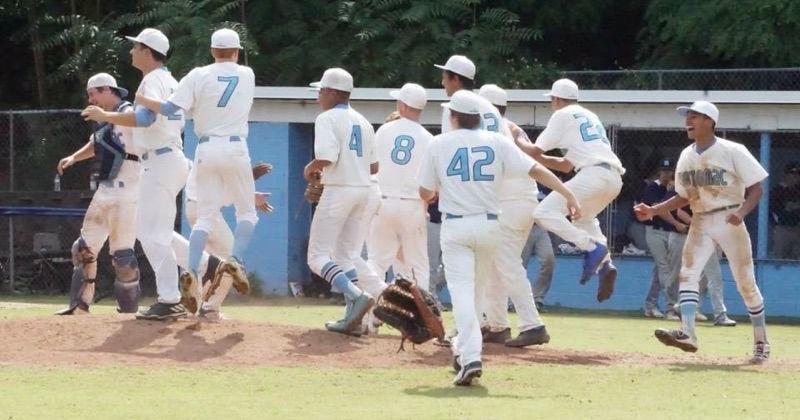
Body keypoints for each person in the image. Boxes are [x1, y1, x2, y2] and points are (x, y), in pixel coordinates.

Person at [418, 90, 580, 386]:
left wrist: (435, 194)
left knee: (463, 295)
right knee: (477, 294)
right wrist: (568, 193)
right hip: (491, 225)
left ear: (453, 117)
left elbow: (425, 191)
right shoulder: (497, 141)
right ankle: (465, 352)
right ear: (480, 117)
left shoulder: (439, 143)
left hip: (456, 227)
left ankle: (470, 356)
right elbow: (536, 169)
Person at [634, 100, 770, 363]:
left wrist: (741, 213)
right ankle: (687, 333)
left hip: (729, 217)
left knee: (746, 284)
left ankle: (761, 341)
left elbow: (756, 189)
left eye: (694, 116)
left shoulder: (733, 150)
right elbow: (683, 196)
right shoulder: (687, 155)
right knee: (688, 274)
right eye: (688, 117)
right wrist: (653, 210)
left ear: (710, 121)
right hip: (701, 220)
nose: (688, 121)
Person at [135, 28, 257, 315]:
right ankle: (234, 260)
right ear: (237, 52)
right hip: (236, 146)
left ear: (212, 51)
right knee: (247, 213)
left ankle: (191, 269)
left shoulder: (198, 74)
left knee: (204, 217)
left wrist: (143, 100)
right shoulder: (248, 74)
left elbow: (168, 108)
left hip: (205, 148)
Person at [82, 28, 190, 320]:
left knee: (149, 234)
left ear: (147, 50)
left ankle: (170, 299)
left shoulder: (152, 80)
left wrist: (106, 116)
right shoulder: (170, 80)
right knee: (158, 233)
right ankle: (207, 266)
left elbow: (144, 118)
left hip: (159, 160)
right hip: (170, 158)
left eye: (135, 47)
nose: (131, 52)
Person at [514, 79, 625, 302]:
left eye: (552, 100)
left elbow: (534, 149)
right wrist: (540, 158)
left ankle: (592, 248)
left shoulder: (562, 114)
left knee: (543, 213)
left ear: (556, 99)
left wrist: (517, 139)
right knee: (582, 218)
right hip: (613, 178)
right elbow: (566, 165)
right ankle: (605, 264)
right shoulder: (589, 116)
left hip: (593, 175)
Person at [56, 73, 142, 315]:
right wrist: (73, 157)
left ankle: (128, 313)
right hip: (105, 189)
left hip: (128, 189)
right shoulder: (102, 118)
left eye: (92, 93)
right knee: (82, 249)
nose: (90, 98)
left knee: (123, 257)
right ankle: (79, 306)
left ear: (106, 89)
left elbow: (141, 127)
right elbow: (96, 143)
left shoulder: (129, 113)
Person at [304, 67, 381, 336]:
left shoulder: (327, 118)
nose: (318, 96)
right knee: (345, 256)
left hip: (340, 190)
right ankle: (354, 318)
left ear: (334, 92)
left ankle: (357, 296)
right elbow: (374, 167)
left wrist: (310, 169)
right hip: (363, 190)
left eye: (322, 90)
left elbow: (328, 157)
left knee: (316, 257)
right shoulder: (364, 121)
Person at [477, 84, 550, 347]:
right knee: (496, 265)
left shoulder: (488, 127)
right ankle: (497, 325)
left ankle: (533, 324)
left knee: (506, 264)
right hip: (521, 202)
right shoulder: (510, 126)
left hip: (509, 203)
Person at [366, 83, 432, 293]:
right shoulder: (428, 138)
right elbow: (430, 185)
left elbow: (371, 166)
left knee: (376, 262)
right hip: (413, 204)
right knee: (417, 267)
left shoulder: (384, 130)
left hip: (382, 200)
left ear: (403, 106)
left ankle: (370, 317)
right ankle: (422, 320)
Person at [641, 159, 682, 319]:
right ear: (659, 171)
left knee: (660, 271)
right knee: (665, 268)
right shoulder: (653, 187)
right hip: (654, 231)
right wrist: (676, 223)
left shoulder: (672, 188)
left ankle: (650, 306)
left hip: (668, 232)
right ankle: (671, 307)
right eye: (664, 171)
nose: (667, 173)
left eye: (669, 170)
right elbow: (660, 210)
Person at [769, 162, 800, 259]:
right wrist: (777, 224)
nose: (796, 177)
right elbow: (771, 212)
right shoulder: (777, 191)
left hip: (797, 228)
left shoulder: (797, 190)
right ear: (786, 175)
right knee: (780, 260)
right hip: (782, 229)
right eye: (793, 174)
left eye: (797, 175)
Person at [523, 222, 555, 312]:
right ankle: (512, 301)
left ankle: (537, 298)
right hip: (521, 226)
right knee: (519, 266)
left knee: (549, 261)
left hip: (540, 226)